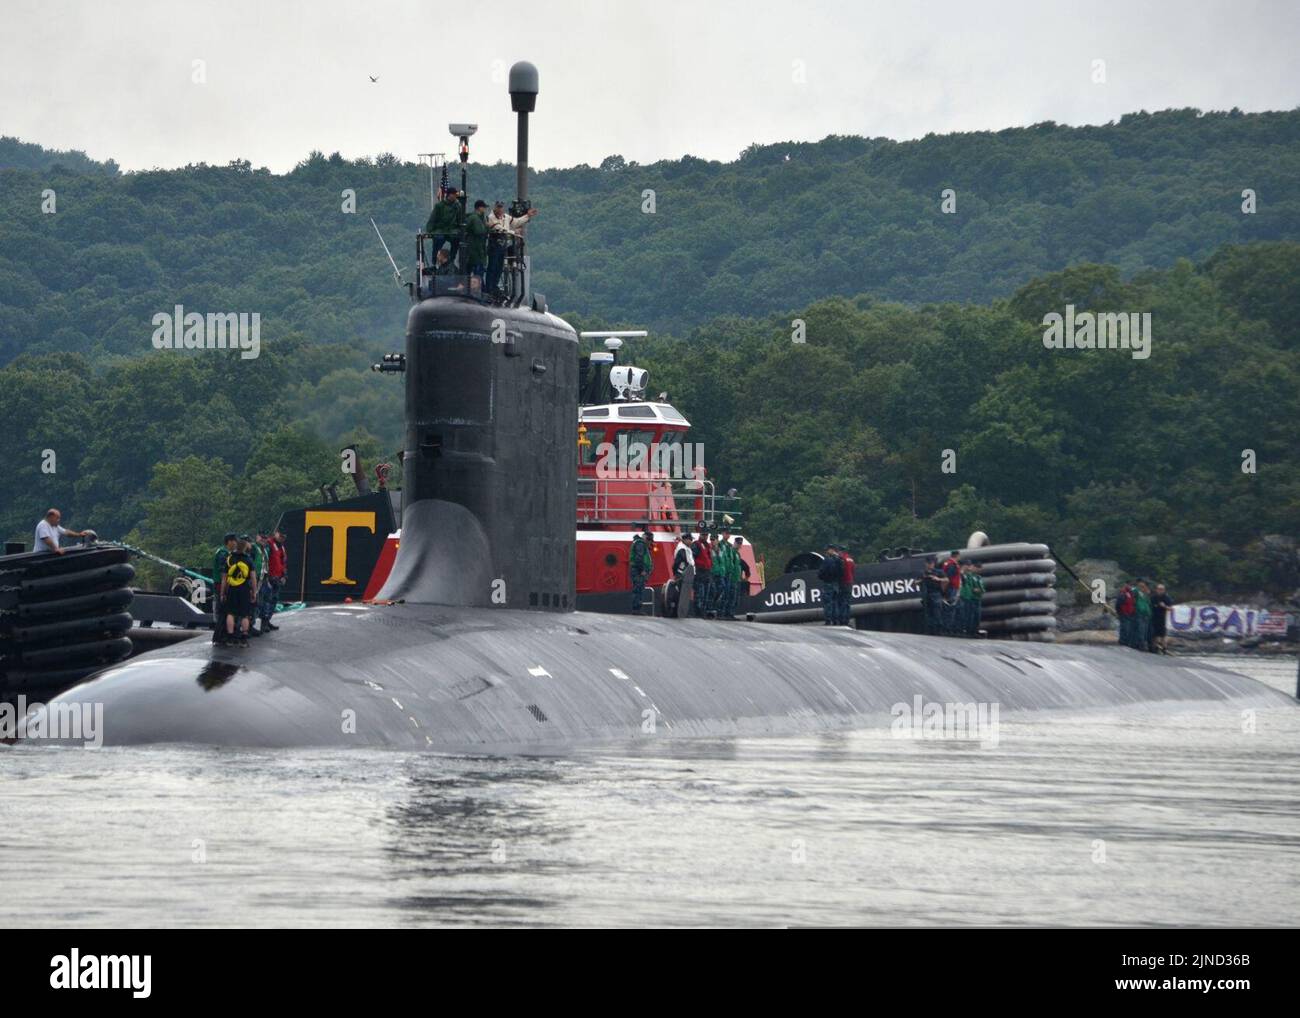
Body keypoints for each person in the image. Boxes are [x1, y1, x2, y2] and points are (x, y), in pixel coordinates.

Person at [486, 201, 538, 293]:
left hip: (503, 245)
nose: (500, 209)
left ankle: (494, 286)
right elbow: (499, 229)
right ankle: (489, 287)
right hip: (494, 245)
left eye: (501, 207)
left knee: (499, 267)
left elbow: (516, 222)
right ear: (495, 207)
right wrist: (514, 232)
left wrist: (527, 215)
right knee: (492, 267)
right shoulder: (491, 218)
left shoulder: (505, 217)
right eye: (498, 207)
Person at [221, 539, 258, 648]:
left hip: (232, 588)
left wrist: (223, 593)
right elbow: (253, 578)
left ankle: (230, 638)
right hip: (244, 589)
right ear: (245, 548)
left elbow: (224, 578)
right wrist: (254, 592)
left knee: (230, 613)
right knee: (244, 614)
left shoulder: (229, 558)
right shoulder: (249, 560)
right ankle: (244, 639)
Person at [211, 532, 237, 644]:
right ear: (229, 542)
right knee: (222, 611)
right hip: (221, 585)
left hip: (223, 584)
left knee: (225, 611)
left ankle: (223, 635)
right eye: (234, 541)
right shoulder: (223, 553)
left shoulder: (226, 552)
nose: (236, 543)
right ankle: (219, 637)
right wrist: (224, 591)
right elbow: (223, 574)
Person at [257, 530, 285, 634]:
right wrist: (268, 577)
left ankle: (267, 620)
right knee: (265, 601)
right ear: (276, 533)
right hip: (269, 578)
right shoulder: (269, 544)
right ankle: (263, 623)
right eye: (281, 535)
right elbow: (266, 561)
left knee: (273, 600)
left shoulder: (281, 546)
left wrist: (284, 575)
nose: (282, 538)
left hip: (277, 578)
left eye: (284, 537)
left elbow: (282, 562)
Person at [426, 187, 461, 261]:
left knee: (456, 239)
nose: (455, 196)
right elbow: (432, 219)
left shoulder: (457, 206)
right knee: (438, 239)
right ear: (449, 195)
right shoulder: (440, 206)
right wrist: (429, 231)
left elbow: (459, 220)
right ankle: (435, 260)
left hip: (451, 230)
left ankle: (451, 260)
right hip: (440, 230)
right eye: (454, 194)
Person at [464, 199, 490, 287]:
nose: (484, 210)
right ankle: (480, 289)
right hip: (476, 248)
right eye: (483, 208)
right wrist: (487, 227)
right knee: (478, 272)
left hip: (476, 249)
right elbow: (479, 231)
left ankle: (476, 288)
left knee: (474, 270)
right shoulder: (475, 218)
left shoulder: (478, 218)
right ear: (479, 208)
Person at [629, 527, 655, 615]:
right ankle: (636, 609)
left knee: (639, 589)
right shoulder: (640, 544)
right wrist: (642, 569)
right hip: (638, 571)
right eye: (650, 540)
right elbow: (639, 558)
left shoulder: (640, 544)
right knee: (638, 589)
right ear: (646, 539)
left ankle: (637, 608)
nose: (650, 543)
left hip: (637, 570)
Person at [817, 543, 843, 626]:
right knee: (835, 602)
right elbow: (841, 571)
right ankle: (836, 620)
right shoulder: (838, 560)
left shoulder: (827, 560)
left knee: (828, 602)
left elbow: (822, 572)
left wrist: (822, 577)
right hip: (836, 583)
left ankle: (828, 620)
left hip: (828, 583)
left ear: (829, 550)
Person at [959, 561, 986, 637]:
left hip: (977, 598)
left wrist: (980, 590)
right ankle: (969, 631)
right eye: (977, 568)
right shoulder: (969, 576)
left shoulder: (979, 577)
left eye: (980, 569)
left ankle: (974, 630)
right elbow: (963, 578)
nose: (978, 570)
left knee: (977, 616)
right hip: (971, 598)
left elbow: (982, 589)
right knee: (970, 615)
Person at [672, 532, 695, 619]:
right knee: (681, 594)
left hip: (687, 575)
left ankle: (682, 611)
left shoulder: (686, 548)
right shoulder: (682, 549)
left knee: (685, 594)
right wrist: (677, 574)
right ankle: (678, 611)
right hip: (682, 574)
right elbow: (679, 563)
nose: (691, 541)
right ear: (685, 540)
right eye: (690, 539)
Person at [921, 555, 945, 636]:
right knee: (928, 613)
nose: (931, 565)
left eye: (932, 563)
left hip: (936, 593)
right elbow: (915, 583)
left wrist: (937, 579)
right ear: (926, 564)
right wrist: (923, 579)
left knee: (937, 612)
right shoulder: (923, 573)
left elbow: (947, 579)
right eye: (929, 563)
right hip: (926, 594)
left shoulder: (938, 572)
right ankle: (930, 630)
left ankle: (938, 630)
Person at [939, 550, 962, 635]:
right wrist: (945, 591)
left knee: (950, 609)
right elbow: (948, 579)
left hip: (951, 588)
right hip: (951, 589)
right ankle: (947, 629)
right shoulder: (952, 565)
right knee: (950, 609)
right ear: (957, 556)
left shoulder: (948, 564)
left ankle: (948, 628)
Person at [691, 530, 713, 618]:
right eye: (704, 535)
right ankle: (698, 612)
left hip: (707, 573)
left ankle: (703, 611)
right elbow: (693, 557)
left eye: (706, 535)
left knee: (706, 594)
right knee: (700, 593)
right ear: (700, 535)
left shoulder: (707, 546)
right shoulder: (696, 545)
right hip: (700, 572)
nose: (705, 537)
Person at [1150, 583, 1174, 654]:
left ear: (1164, 590)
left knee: (1163, 634)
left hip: (1162, 618)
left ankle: (1164, 648)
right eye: (1159, 589)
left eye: (1162, 589)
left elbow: (1171, 608)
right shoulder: (1153, 597)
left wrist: (1164, 606)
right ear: (1156, 590)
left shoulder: (1166, 597)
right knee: (1154, 634)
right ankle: (1154, 647)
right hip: (1153, 617)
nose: (1160, 591)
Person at [730, 536, 750, 619]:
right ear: (734, 543)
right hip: (731, 578)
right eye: (738, 543)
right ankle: (728, 612)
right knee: (731, 596)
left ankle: (733, 613)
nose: (739, 545)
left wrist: (745, 578)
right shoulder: (731, 552)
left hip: (737, 579)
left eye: (740, 544)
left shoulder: (738, 554)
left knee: (735, 597)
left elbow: (746, 568)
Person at [837, 543, 855, 626]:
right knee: (847, 602)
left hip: (843, 582)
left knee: (842, 601)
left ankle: (842, 620)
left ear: (840, 551)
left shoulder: (842, 559)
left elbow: (841, 571)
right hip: (850, 582)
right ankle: (847, 618)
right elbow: (853, 570)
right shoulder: (850, 559)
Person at [709, 533, 727, 617]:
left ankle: (714, 605)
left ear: (717, 540)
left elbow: (723, 561)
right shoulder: (709, 550)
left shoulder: (721, 549)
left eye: (714, 540)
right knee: (712, 590)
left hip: (720, 573)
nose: (712, 542)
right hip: (712, 573)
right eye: (711, 540)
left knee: (722, 587)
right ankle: (710, 607)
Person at [1115, 581, 1136, 647]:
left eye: (1131, 585)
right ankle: (1122, 641)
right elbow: (1118, 603)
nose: (1130, 586)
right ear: (1126, 585)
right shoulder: (1123, 592)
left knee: (1127, 627)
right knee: (1124, 627)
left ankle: (1125, 641)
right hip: (1124, 613)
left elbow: (1132, 604)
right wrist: (1119, 611)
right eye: (1129, 584)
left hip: (1129, 613)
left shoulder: (1131, 593)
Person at [1134, 580, 1153, 652]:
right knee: (1141, 630)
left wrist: (1147, 594)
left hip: (1146, 614)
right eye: (1141, 586)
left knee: (1145, 631)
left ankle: (1143, 644)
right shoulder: (1136, 592)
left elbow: (1148, 603)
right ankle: (1140, 645)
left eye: (1144, 586)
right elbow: (1133, 591)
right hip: (1139, 613)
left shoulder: (1145, 595)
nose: (1143, 587)